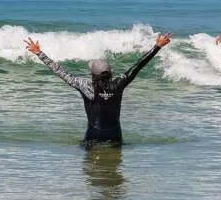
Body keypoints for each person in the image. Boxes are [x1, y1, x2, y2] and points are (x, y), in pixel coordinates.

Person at [24, 33, 172, 148]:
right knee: (115, 171)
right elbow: (138, 66)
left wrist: (39, 53)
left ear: (93, 74)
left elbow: (60, 71)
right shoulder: (119, 84)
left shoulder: (86, 87)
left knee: (92, 174)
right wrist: (157, 47)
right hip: (115, 135)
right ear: (109, 73)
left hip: (93, 135)